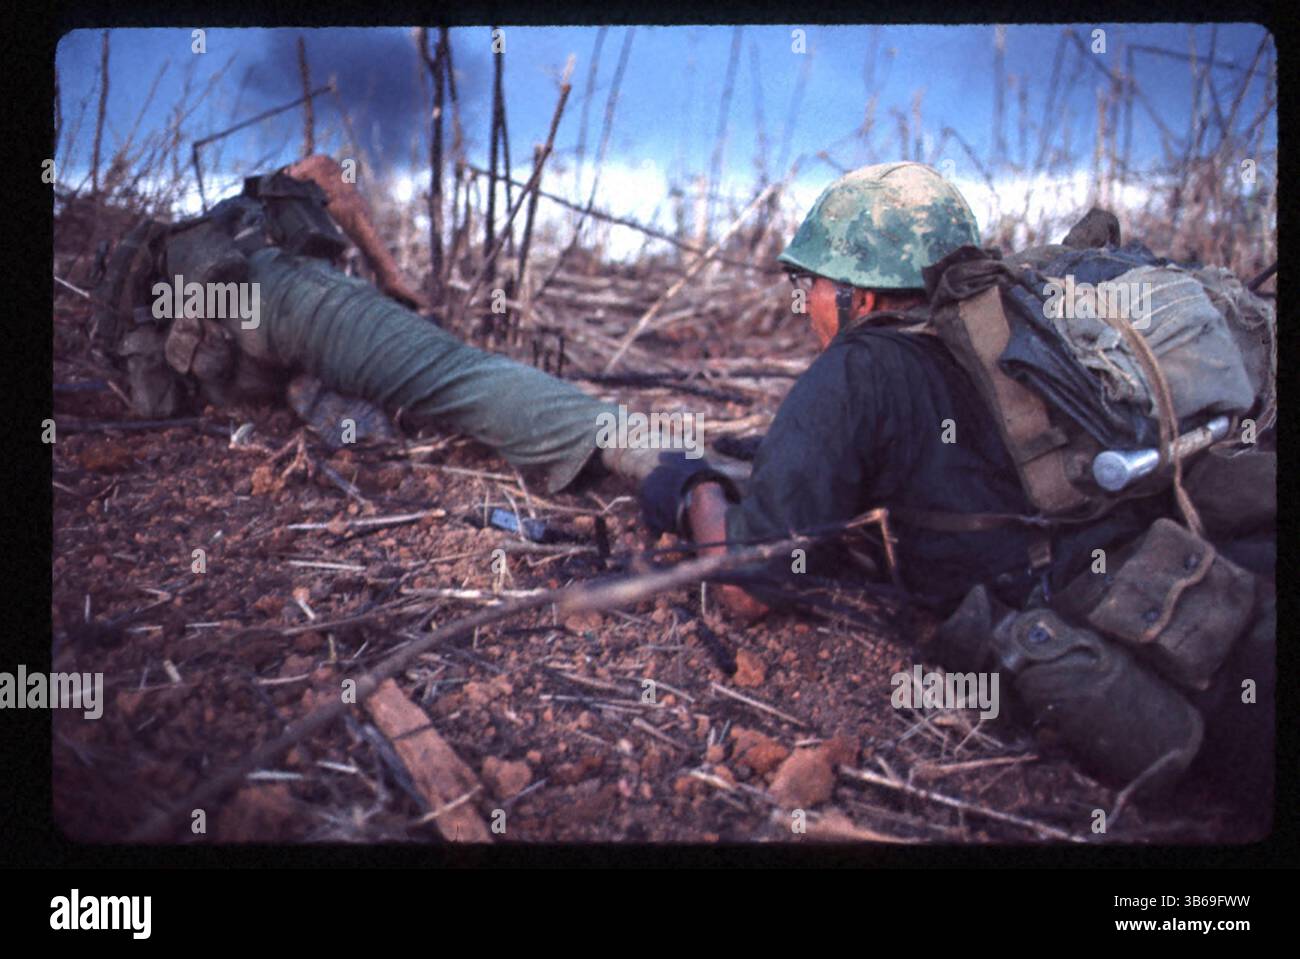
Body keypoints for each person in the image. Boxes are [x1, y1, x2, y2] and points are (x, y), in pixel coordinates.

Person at [639, 161, 1275, 824]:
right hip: (1190, 575)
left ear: (860, 291)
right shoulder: (1011, 329)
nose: (807, 306)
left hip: (1129, 639)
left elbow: (747, 586)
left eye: (814, 283)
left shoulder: (858, 369)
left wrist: (693, 489)